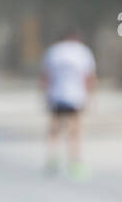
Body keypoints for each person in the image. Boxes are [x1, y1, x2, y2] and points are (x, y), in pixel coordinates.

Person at [39, 29, 97, 179]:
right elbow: (89, 77)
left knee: (55, 129)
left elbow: (46, 76)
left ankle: (53, 159)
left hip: (56, 95)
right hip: (76, 96)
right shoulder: (83, 52)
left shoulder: (54, 51)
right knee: (75, 131)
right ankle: (75, 162)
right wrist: (90, 96)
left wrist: (45, 95)